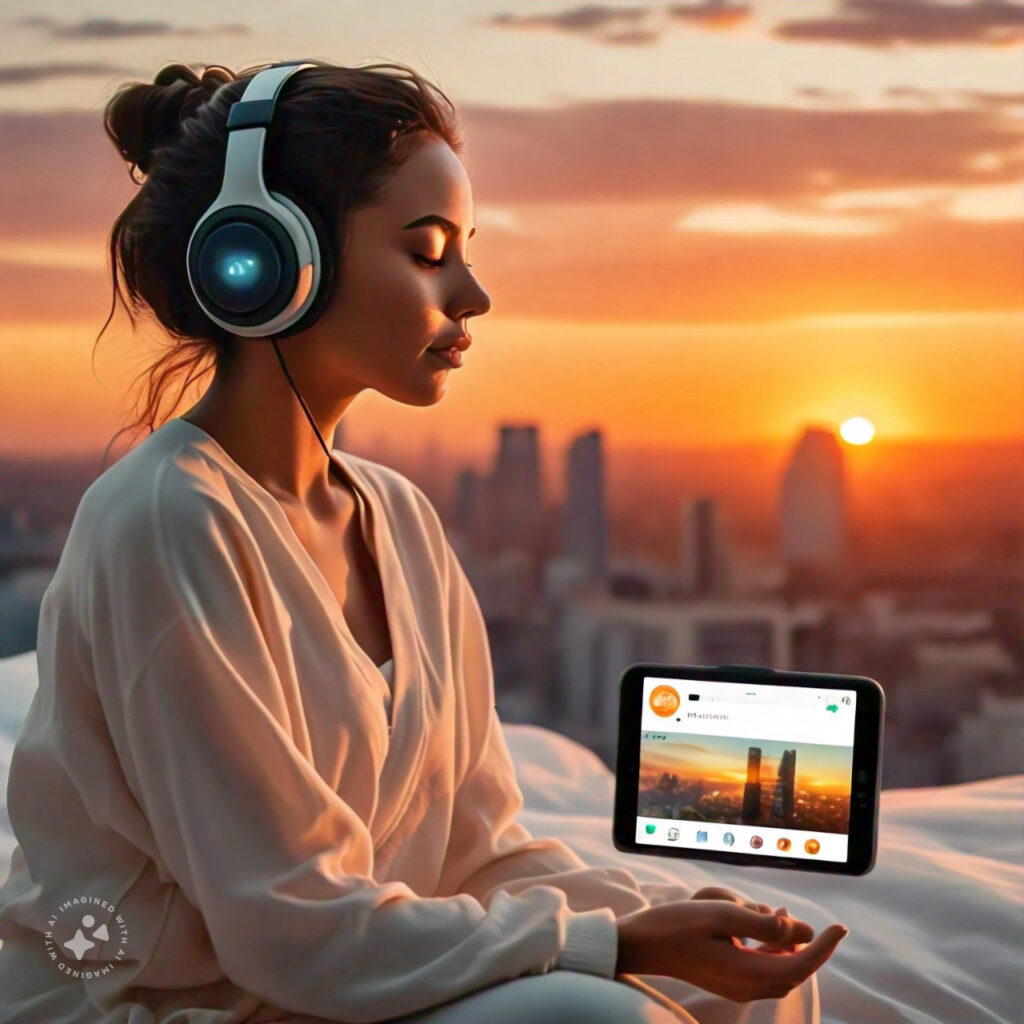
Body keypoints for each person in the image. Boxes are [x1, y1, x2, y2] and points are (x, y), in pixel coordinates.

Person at [0, 59, 847, 1024]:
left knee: (751, 989)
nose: (475, 293)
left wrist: (659, 916)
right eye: (428, 250)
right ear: (273, 259)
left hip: (348, 973)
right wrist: (611, 948)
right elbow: (289, 925)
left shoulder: (396, 516)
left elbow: (478, 853)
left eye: (467, 251)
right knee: (595, 1017)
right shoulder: (167, 521)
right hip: (173, 1001)